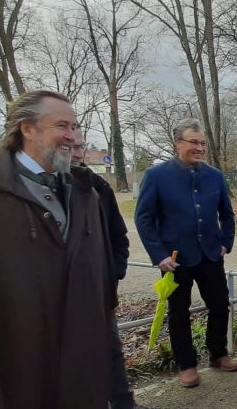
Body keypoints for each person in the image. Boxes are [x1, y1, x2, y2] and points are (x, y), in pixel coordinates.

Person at [0, 90, 113, 407]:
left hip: (79, 364)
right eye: (62, 126)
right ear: (27, 129)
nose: (71, 136)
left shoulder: (86, 193)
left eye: (74, 127)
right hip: (16, 363)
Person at [135, 121, 237, 388]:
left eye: (203, 143)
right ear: (178, 143)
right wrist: (159, 256)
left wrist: (225, 243)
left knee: (219, 305)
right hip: (174, 259)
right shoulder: (156, 176)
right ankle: (187, 365)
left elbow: (227, 215)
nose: (200, 148)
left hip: (211, 255)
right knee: (178, 312)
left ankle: (218, 354)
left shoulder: (215, 176)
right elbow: (144, 219)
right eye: (194, 142)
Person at [71, 129, 138, 407]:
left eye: (80, 146)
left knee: (111, 350)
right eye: (72, 146)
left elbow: (118, 235)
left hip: (98, 290)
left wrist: (114, 272)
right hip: (53, 295)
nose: (76, 152)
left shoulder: (97, 186)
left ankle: (124, 403)